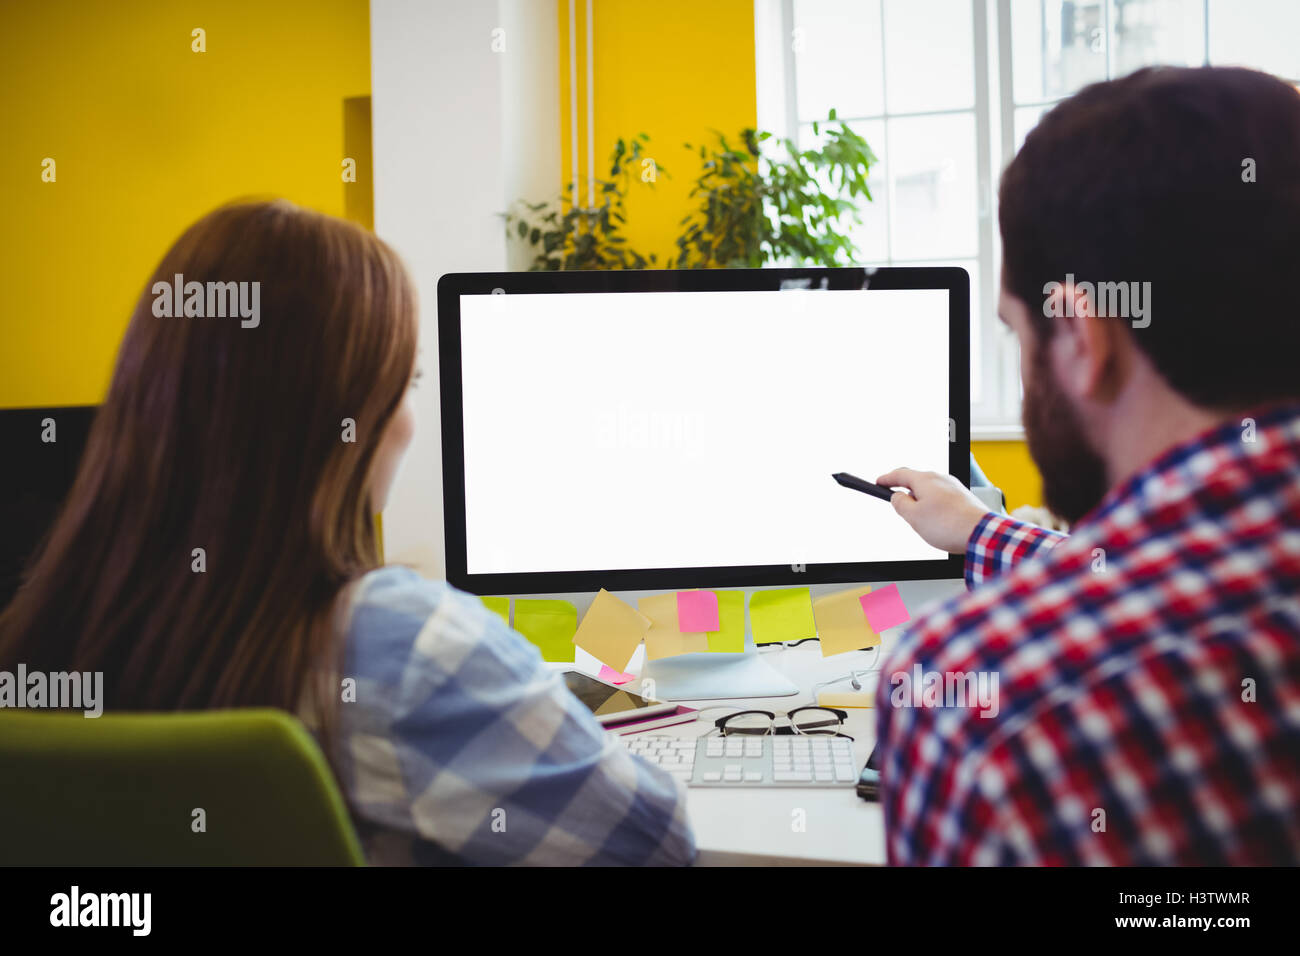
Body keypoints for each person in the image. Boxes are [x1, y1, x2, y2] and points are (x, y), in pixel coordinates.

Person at [0, 200, 695, 866]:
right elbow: (655, 842)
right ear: (337, 420)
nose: (411, 418)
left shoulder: (44, 638)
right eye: (407, 381)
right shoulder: (407, 647)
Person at [875, 66, 1300, 865]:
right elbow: (1179, 576)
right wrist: (979, 532)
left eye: (1018, 332)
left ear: (1079, 336)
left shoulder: (978, 693)